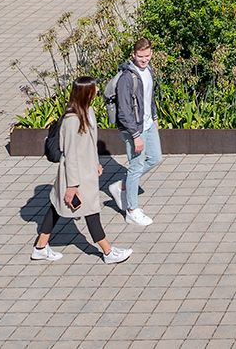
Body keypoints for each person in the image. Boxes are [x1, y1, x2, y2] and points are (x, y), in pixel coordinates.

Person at [31, 77, 131, 264]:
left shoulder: (87, 111)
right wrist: (72, 186)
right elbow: (70, 154)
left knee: (56, 207)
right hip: (76, 176)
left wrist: (95, 163)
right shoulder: (72, 120)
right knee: (91, 210)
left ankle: (40, 247)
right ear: (87, 93)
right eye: (95, 89)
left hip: (86, 171)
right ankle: (108, 251)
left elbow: (89, 143)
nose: (98, 91)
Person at [108, 37, 160, 226]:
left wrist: (154, 117)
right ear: (133, 54)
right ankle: (131, 210)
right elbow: (124, 111)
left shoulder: (148, 71)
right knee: (136, 167)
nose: (144, 59)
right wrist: (136, 135)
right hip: (133, 129)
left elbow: (149, 97)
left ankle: (121, 185)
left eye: (147, 56)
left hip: (147, 124)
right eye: (140, 56)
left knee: (155, 158)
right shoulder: (127, 78)